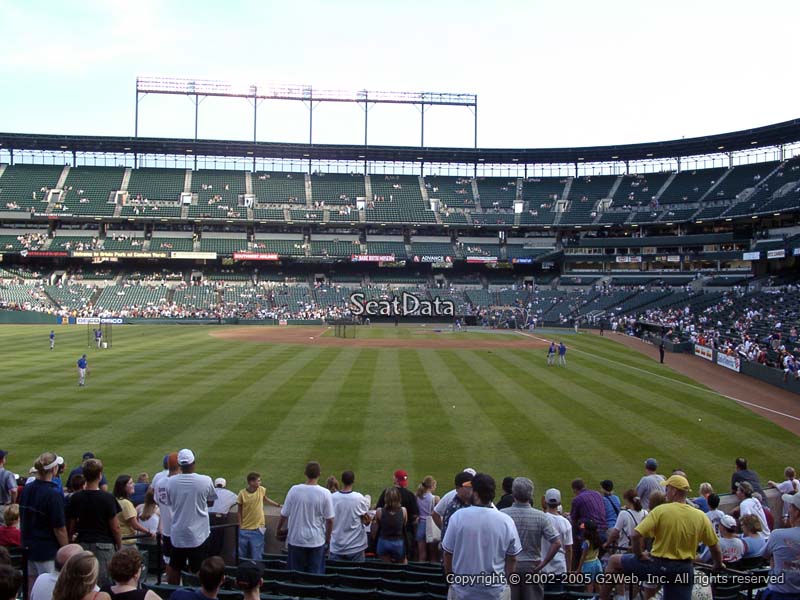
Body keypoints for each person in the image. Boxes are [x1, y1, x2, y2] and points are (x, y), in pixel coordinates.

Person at [600, 474, 723, 600]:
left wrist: (639, 555)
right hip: (684, 569)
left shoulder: (661, 510)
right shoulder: (701, 515)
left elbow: (635, 535)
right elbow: (715, 547)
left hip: (659, 565)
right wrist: (718, 564)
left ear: (674, 491)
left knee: (614, 561)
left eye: (667, 489)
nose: (666, 493)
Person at [442, 473, 522, 600]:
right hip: (495, 591)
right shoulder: (506, 521)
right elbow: (512, 558)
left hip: (463, 590)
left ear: (476, 493)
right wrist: (507, 582)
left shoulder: (458, 517)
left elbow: (447, 554)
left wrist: (451, 579)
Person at [501, 477, 561, 600]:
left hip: (509, 567)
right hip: (532, 567)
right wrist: (542, 564)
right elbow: (557, 542)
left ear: (513, 493)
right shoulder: (540, 516)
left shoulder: (502, 514)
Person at [65, 459, 121, 586]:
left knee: (83, 583)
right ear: (100, 475)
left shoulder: (76, 498)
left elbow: (71, 525)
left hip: (83, 543)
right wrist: (119, 545)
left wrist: (71, 540)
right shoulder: (107, 498)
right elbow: (115, 527)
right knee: (104, 583)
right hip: (104, 545)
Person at [164, 449, 217, 581]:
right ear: (193, 463)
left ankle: (173, 592)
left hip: (178, 534)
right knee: (200, 569)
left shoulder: (170, 482)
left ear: (180, 465)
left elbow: (170, 502)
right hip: (199, 535)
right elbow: (211, 502)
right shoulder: (205, 480)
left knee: (175, 566)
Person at [20, 452, 68, 595]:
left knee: (32, 590)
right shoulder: (52, 494)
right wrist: (66, 550)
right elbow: (59, 528)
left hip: (29, 547)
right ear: (54, 469)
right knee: (51, 590)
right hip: (46, 551)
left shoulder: (28, 488)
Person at [277, 461, 334, 574]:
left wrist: (278, 530)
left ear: (305, 473)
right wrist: (327, 538)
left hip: (296, 540)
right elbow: (330, 520)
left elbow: (284, 514)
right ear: (319, 474)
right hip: (316, 541)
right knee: (315, 577)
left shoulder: (294, 490)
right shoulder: (325, 493)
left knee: (295, 576)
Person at [760, 492, 800, 598]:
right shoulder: (778, 534)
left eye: (791, 506)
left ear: (797, 513)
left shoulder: (778, 535)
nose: (789, 510)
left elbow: (764, 555)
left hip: (778, 595)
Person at [375, 469, 419, 560]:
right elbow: (415, 517)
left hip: (385, 536)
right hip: (404, 536)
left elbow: (378, 513)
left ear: (395, 479)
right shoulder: (410, 495)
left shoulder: (386, 493)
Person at [237, 472, 280, 561]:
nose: (260, 483)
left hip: (257, 528)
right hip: (244, 529)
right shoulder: (242, 493)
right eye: (258, 481)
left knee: (257, 556)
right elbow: (239, 511)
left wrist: (277, 505)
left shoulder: (261, 490)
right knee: (242, 555)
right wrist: (240, 525)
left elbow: (265, 499)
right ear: (251, 482)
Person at [329, 471, 370, 562]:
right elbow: (366, 515)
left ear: (342, 481)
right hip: (355, 547)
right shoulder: (358, 498)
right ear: (353, 481)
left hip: (338, 547)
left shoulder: (332, 498)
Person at [152, 452, 179, 583]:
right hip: (182, 530)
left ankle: (171, 591)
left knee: (169, 560)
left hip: (167, 530)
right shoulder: (180, 482)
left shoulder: (160, 482)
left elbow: (157, 500)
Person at [568, 479, 606, 570]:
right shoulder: (597, 494)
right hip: (603, 529)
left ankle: (574, 572)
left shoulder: (577, 499)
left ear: (575, 490)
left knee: (577, 527)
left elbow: (573, 519)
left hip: (588, 529)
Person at [541, 489, 573, 596]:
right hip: (559, 568)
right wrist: (568, 571)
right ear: (559, 502)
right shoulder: (565, 522)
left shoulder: (541, 519)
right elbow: (568, 549)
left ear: (545, 501)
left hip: (542, 567)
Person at [114, 475, 154, 546]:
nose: (134, 484)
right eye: (130, 483)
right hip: (127, 542)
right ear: (123, 487)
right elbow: (135, 525)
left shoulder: (116, 500)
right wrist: (149, 532)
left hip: (120, 540)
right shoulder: (126, 503)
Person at [373, 487, 407, 564]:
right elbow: (403, 524)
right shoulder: (404, 511)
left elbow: (378, 525)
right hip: (398, 543)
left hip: (384, 542)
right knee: (401, 566)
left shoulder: (379, 511)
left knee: (386, 567)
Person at [414, 475, 439, 562]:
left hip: (420, 525)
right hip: (431, 526)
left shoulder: (417, 497)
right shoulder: (435, 498)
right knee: (433, 555)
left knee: (422, 555)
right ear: (431, 485)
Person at [576, 519, 603, 595]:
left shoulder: (586, 542)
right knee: (597, 585)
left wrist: (578, 569)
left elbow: (583, 557)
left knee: (589, 587)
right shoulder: (597, 539)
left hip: (588, 565)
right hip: (597, 563)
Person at [0, 451, 17, 525]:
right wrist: (13, 503)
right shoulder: (7, 474)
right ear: (2, 460)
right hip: (3, 507)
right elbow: (13, 490)